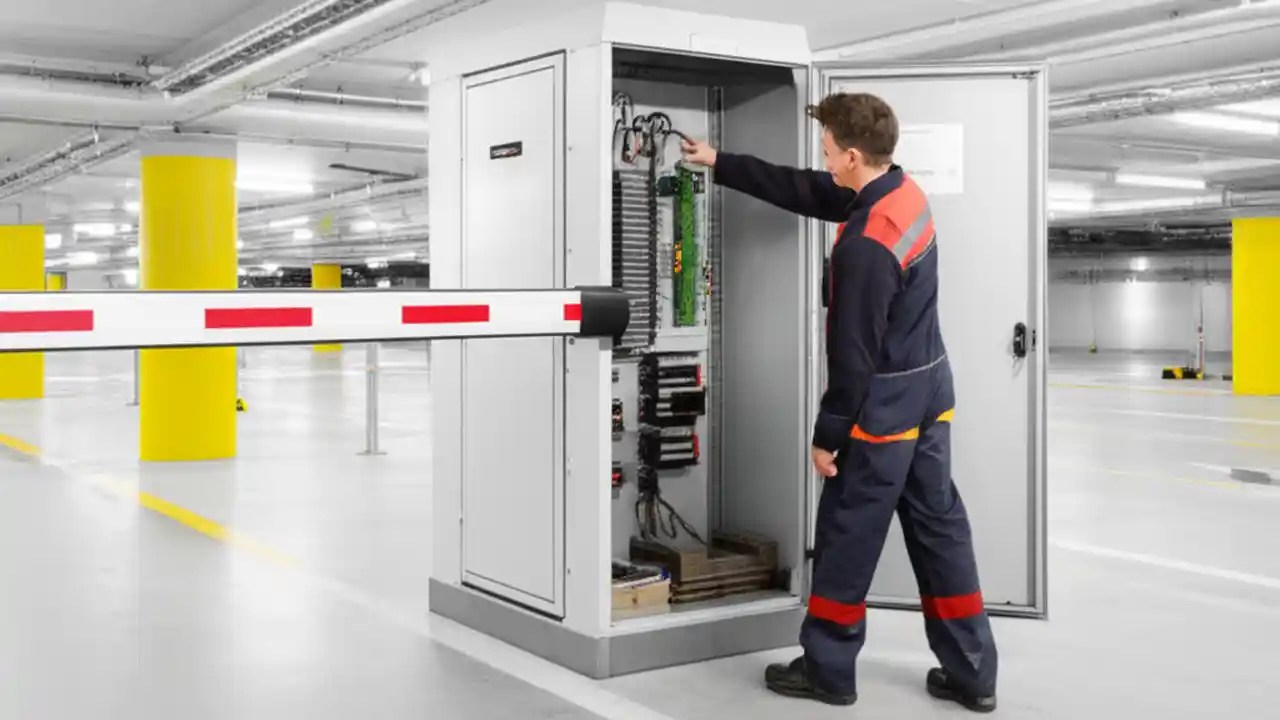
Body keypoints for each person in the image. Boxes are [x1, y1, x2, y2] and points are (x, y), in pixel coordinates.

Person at [680, 92, 998, 712]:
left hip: (882, 410)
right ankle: (973, 672)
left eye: (828, 153)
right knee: (940, 533)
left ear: (853, 156)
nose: (824, 163)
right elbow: (809, 191)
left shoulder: (865, 248)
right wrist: (721, 161)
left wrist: (828, 438)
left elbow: (853, 357)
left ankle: (827, 669)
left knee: (847, 537)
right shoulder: (903, 194)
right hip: (930, 393)